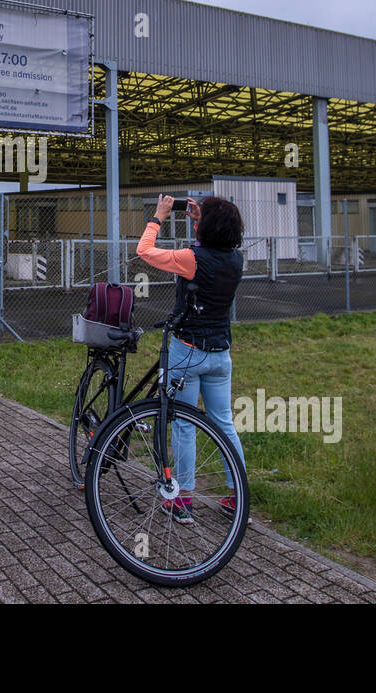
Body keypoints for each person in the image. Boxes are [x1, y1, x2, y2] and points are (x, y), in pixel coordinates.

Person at [136, 193, 247, 525]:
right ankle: (237, 496)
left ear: (204, 227)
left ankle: (181, 499)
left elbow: (144, 251)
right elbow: (214, 240)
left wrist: (158, 217)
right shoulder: (236, 259)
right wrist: (203, 219)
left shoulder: (190, 258)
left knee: (184, 424)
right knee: (224, 424)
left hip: (188, 352)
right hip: (220, 353)